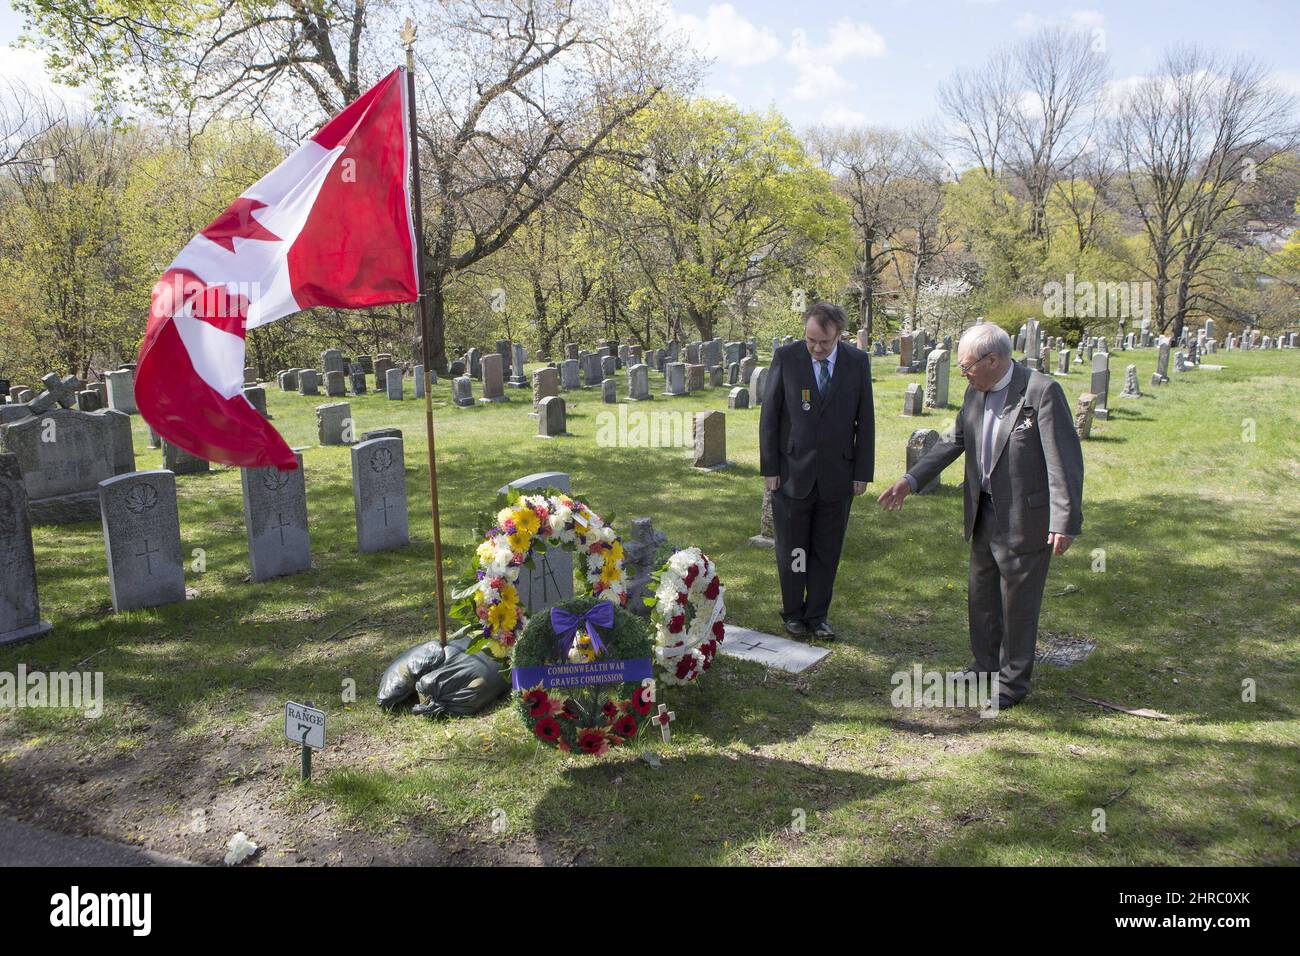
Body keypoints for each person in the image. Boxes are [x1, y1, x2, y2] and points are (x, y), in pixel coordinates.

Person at [877, 324, 1083, 707]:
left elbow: (1063, 460)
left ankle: (1011, 684)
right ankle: (985, 665)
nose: (963, 375)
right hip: (983, 511)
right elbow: (955, 441)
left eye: (967, 366)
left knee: (1018, 603)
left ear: (993, 360)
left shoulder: (1041, 393)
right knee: (982, 596)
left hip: (1026, 516)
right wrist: (911, 479)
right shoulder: (976, 391)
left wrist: (1065, 520)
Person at [760, 302, 874, 640]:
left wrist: (862, 472)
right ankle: (793, 612)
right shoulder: (787, 357)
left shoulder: (857, 362)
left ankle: (818, 614)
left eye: (824, 342)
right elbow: (770, 416)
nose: (816, 348)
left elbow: (864, 420)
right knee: (794, 549)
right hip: (792, 473)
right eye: (811, 340)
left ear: (839, 334)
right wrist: (770, 467)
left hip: (838, 473)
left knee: (827, 549)